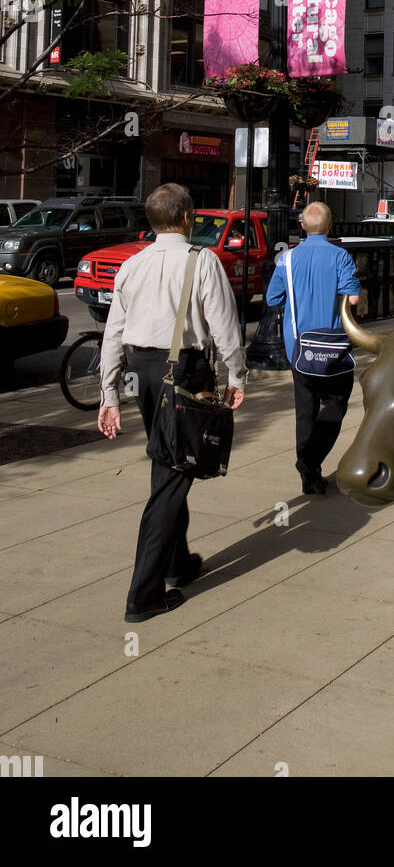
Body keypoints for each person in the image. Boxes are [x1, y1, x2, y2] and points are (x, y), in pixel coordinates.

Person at [97, 184, 246, 622]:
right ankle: (143, 594)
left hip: (143, 374)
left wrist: (108, 395)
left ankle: (179, 563)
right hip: (183, 374)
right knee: (171, 477)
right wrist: (235, 375)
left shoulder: (132, 265)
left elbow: (113, 335)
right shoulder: (202, 261)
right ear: (188, 219)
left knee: (170, 463)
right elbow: (225, 327)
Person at [266, 201, 361, 495]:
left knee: (305, 412)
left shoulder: (287, 259)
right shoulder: (340, 256)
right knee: (335, 405)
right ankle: (310, 460)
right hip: (333, 348)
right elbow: (353, 299)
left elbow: (272, 299)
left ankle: (309, 475)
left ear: (303, 226)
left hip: (299, 348)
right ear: (330, 226)